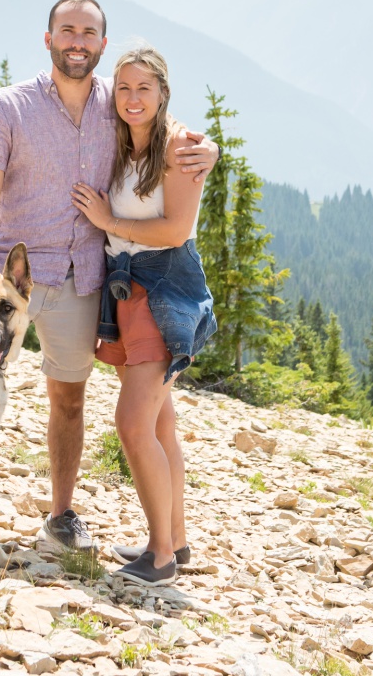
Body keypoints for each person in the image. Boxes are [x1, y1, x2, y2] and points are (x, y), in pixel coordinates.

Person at [0, 0, 218, 554]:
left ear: (102, 45)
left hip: (87, 280)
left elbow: (160, 117)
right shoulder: (5, 108)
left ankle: (60, 515)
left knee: (70, 399)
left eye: (88, 33)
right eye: (66, 30)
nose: (77, 40)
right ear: (48, 38)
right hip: (13, 283)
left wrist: (208, 148)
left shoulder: (115, 99)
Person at [71, 46, 215, 586]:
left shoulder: (179, 147)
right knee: (160, 422)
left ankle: (159, 558)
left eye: (144, 89)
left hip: (164, 287)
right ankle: (174, 539)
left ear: (163, 94)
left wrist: (109, 220)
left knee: (132, 423)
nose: (133, 99)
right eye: (124, 89)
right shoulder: (123, 143)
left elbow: (176, 230)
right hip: (130, 288)